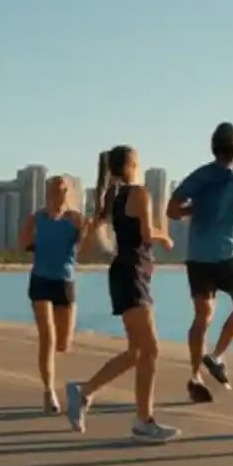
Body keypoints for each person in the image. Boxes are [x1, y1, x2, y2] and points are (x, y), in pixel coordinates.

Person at [65, 146, 180, 443]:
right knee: (150, 349)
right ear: (131, 165)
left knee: (137, 351)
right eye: (138, 162)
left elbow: (96, 241)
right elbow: (144, 235)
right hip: (132, 273)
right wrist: (164, 236)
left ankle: (84, 392)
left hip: (124, 273)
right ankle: (144, 421)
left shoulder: (111, 197)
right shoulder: (139, 193)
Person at [166, 122, 233, 403]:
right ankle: (217, 355)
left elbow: (172, 210)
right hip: (227, 256)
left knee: (202, 317)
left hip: (198, 257)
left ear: (213, 147)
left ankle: (195, 374)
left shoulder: (198, 176)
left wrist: (195, 208)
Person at [20, 175, 88, 413]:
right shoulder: (37, 218)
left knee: (62, 343)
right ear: (48, 191)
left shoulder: (76, 220)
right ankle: (49, 392)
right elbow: (23, 242)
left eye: (63, 188)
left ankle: (56, 385)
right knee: (47, 339)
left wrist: (84, 229)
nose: (59, 192)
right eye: (55, 188)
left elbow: (85, 250)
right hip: (41, 280)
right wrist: (37, 241)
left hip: (65, 282)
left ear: (69, 192)